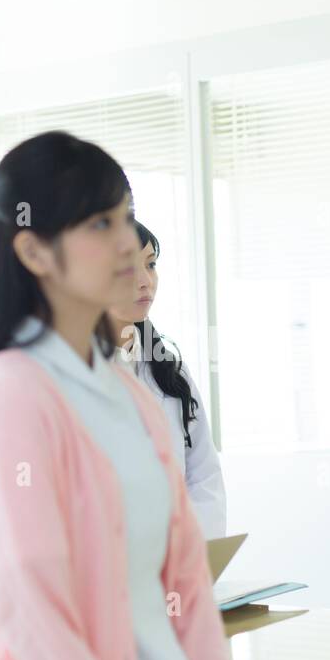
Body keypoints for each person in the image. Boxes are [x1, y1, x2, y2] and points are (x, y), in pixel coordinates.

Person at [0, 132, 270, 660]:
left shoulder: (128, 390)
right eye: (100, 222)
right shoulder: (9, 398)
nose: (128, 242)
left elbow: (187, 587)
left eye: (126, 216)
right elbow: (41, 628)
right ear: (34, 248)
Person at [107, 222, 227, 538]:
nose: (146, 282)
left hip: (180, 567)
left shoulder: (170, 372)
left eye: (151, 265)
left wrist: (192, 552)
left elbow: (204, 476)